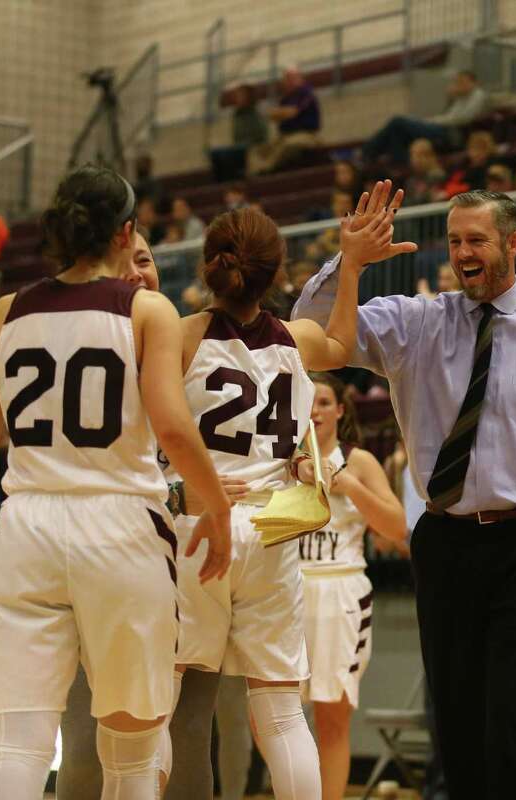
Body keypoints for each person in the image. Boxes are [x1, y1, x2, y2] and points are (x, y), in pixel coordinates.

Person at [292, 189, 516, 799]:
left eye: (477, 241)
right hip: (445, 538)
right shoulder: (414, 323)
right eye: (455, 241)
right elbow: (313, 328)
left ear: (512, 244)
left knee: (513, 710)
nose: (463, 253)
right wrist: (349, 261)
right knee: (457, 716)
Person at [0, 164, 234, 800]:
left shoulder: (4, 312)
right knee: (134, 754)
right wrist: (215, 507)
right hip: (119, 526)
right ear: (126, 232)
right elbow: (170, 424)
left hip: (25, 522)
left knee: (22, 750)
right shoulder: (148, 308)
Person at [164, 191, 407, 800]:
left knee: (159, 704)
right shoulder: (295, 340)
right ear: (277, 274)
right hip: (272, 531)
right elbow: (346, 343)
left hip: (201, 525)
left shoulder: (183, 335)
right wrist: (350, 266)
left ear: (211, 266)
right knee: (280, 713)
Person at [53, 225, 226, 800]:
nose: (138, 271)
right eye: (125, 261)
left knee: (192, 732)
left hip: (190, 560)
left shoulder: (189, 348)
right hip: (104, 554)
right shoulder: (76, 351)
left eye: (147, 260)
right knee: (85, 738)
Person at [299, 372, 408, 799]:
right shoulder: (282, 459)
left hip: (339, 590)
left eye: (324, 402)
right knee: (271, 714)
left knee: (331, 717)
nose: (315, 410)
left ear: (340, 410)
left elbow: (396, 526)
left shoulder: (358, 460)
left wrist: (348, 486)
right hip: (286, 589)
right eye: (308, 401)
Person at [361, 71, 488, 165]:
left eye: (462, 81)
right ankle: (401, 162)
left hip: (450, 133)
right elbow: (449, 115)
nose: (459, 85)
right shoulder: (460, 98)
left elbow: (463, 118)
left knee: (398, 121)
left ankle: (368, 150)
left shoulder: (478, 94)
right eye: (458, 82)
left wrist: (434, 121)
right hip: (443, 127)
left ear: (473, 82)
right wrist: (450, 98)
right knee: (397, 132)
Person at [249, 67, 321, 174]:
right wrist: (275, 113)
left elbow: (292, 112)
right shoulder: (286, 98)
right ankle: (254, 173)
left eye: (292, 78)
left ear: (300, 78)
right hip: (284, 135)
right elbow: (276, 116)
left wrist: (273, 112)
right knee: (256, 150)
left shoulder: (306, 93)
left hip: (306, 134)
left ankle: (265, 171)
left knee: (287, 145)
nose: (288, 82)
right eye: (286, 79)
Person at [209, 84, 269, 183]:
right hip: (240, 146)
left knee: (222, 154)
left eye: (240, 96)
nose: (237, 99)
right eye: (237, 96)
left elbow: (261, 136)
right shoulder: (236, 115)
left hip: (253, 147)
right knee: (215, 154)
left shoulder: (256, 113)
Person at [441, 130, 498, 199]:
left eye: (481, 148)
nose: (477, 153)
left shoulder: (493, 166)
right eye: (473, 148)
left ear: (489, 149)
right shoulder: (463, 166)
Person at [405, 138, 446, 205]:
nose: (415, 160)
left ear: (431, 156)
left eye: (420, 155)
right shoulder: (411, 181)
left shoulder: (438, 176)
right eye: (412, 155)